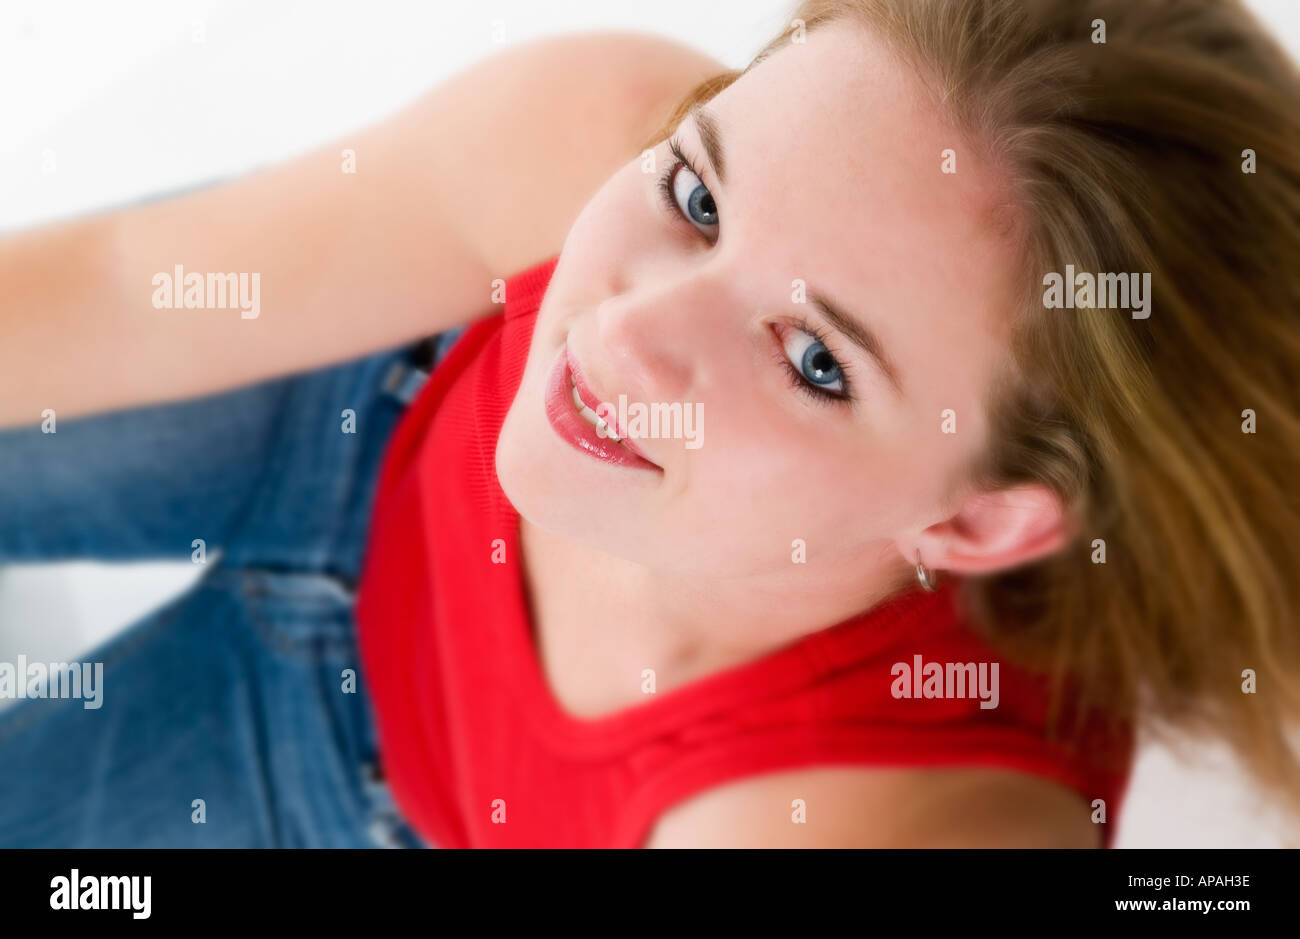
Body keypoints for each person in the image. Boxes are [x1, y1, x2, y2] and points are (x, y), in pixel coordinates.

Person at [2, 0, 1298, 848]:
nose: (619, 333)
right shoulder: (584, 134)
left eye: (813, 359)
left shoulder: (869, 816)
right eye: (698, 195)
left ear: (974, 518)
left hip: (366, 796)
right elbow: (126, 283)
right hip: (355, 390)